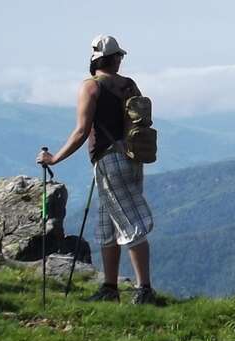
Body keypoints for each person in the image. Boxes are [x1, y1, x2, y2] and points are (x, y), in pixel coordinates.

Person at [37, 34, 157, 304]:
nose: (121, 61)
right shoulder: (129, 85)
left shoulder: (90, 88)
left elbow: (81, 131)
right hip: (132, 157)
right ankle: (110, 287)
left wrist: (54, 159)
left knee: (129, 223)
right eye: (120, 56)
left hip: (108, 160)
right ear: (114, 58)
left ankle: (143, 289)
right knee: (109, 225)